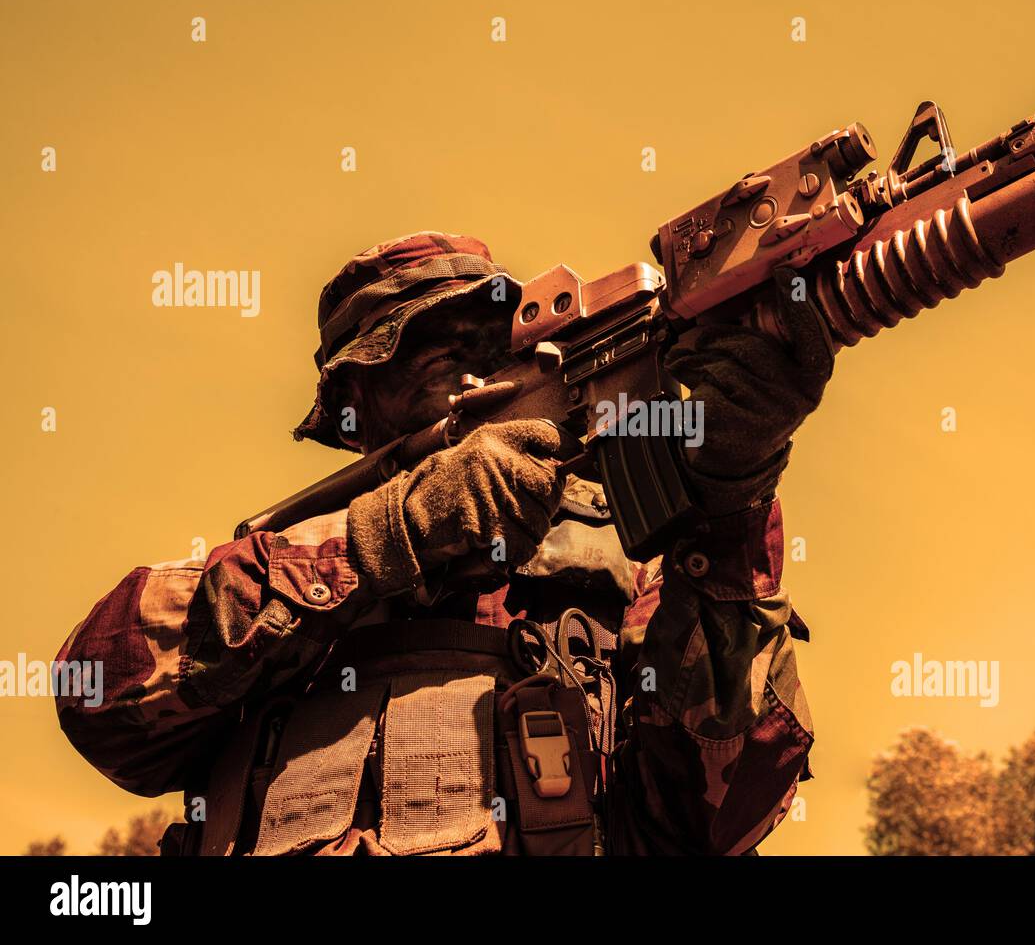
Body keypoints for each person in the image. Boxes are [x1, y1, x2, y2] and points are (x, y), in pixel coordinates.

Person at [54, 231, 831, 855]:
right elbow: (98, 697)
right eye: (436, 353)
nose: (474, 378)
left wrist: (732, 509)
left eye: (493, 350)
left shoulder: (622, 567)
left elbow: (709, 818)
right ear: (354, 402)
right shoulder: (287, 568)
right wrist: (393, 533)